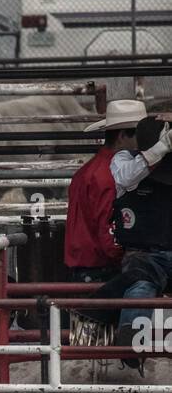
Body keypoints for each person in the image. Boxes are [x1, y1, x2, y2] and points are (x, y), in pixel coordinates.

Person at [110, 113, 172, 365]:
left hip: (148, 252)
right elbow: (123, 177)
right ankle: (131, 339)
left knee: (140, 285)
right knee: (140, 284)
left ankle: (131, 337)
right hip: (144, 254)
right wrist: (160, 148)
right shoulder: (125, 161)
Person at [65, 98, 144, 288]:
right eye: (139, 136)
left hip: (86, 268)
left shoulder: (87, 171)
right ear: (123, 136)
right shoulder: (110, 175)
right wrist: (126, 255)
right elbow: (109, 229)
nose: (141, 142)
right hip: (102, 269)